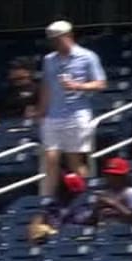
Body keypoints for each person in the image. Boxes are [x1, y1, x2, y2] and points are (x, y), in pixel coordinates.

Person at [36, 20, 106, 197]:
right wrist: (42, 111)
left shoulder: (88, 56)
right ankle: (47, 199)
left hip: (76, 114)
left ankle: (87, 196)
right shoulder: (49, 60)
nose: (55, 43)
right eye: (52, 40)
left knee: (74, 161)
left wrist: (78, 86)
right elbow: (46, 86)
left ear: (69, 36)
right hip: (53, 115)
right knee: (50, 159)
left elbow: (100, 83)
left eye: (58, 39)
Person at [0, 58, 40, 126]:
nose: (17, 82)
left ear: (29, 74)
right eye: (14, 79)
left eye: (20, 79)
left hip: (28, 123)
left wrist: (35, 113)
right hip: (4, 124)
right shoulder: (3, 90)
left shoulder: (38, 89)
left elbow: (42, 110)